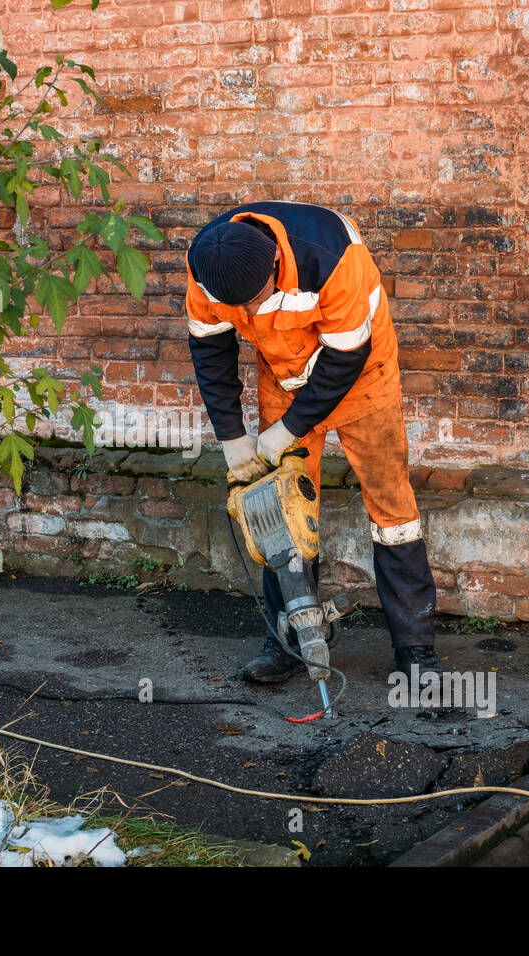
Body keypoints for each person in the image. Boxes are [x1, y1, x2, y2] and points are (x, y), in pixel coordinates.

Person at [184, 200, 441, 684]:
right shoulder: (207, 264)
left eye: (257, 299)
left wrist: (288, 429)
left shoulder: (335, 257)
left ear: (276, 266)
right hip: (283, 380)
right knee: (281, 512)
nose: (250, 312)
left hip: (364, 378)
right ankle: (288, 642)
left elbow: (346, 359)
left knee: (392, 513)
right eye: (239, 307)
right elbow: (210, 349)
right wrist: (233, 437)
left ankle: (415, 649)